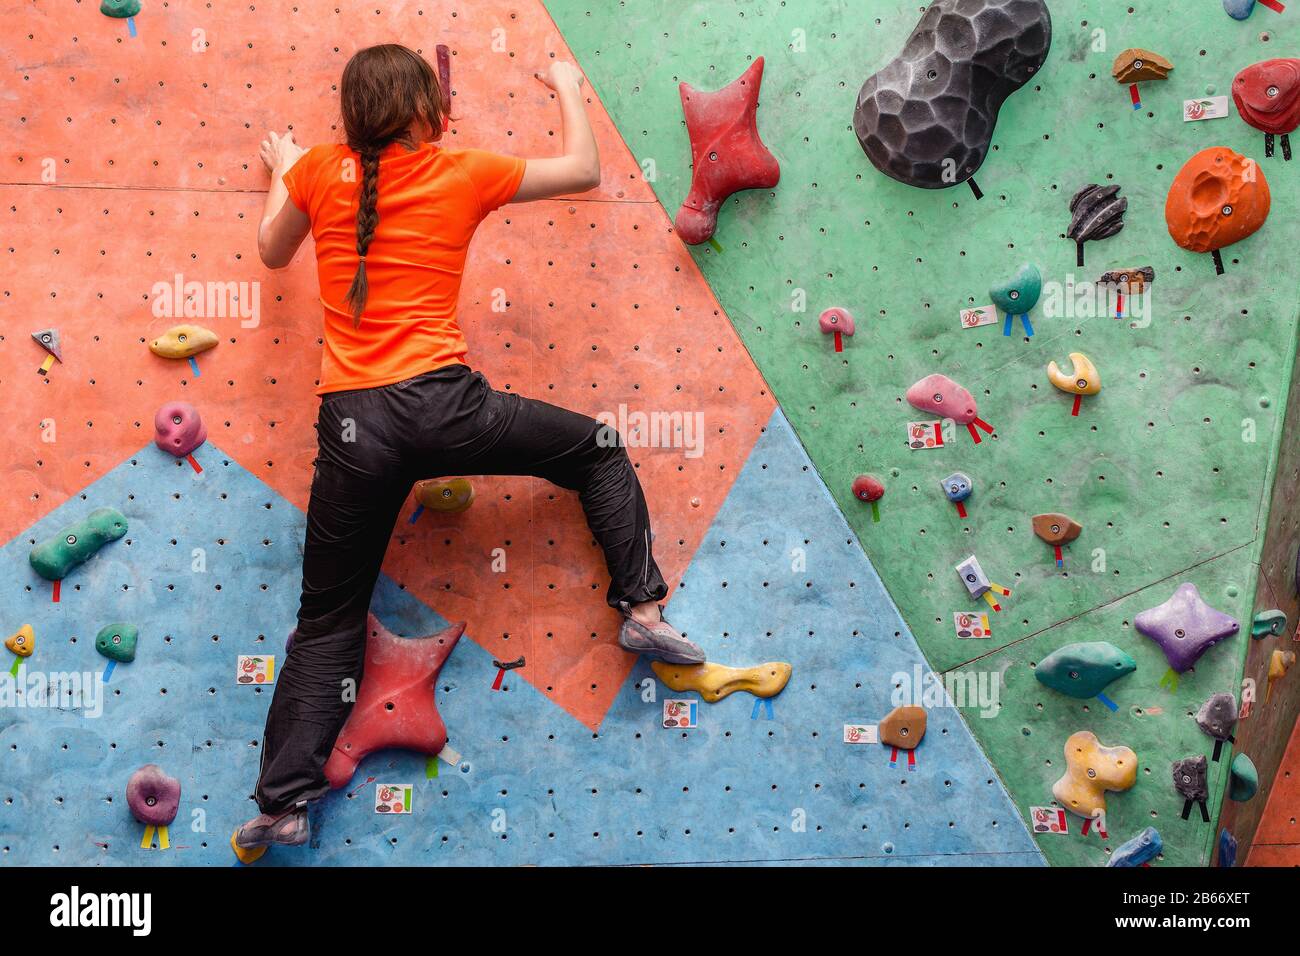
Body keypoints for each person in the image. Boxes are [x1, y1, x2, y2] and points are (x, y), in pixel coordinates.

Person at [236, 44, 704, 851]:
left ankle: (285, 800)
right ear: (425, 112)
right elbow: (582, 169)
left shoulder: (317, 169)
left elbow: (272, 252)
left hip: (352, 425)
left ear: (353, 116)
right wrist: (564, 85)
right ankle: (643, 610)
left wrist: (284, 166)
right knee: (596, 448)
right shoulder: (461, 172)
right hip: (443, 407)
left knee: (328, 620)